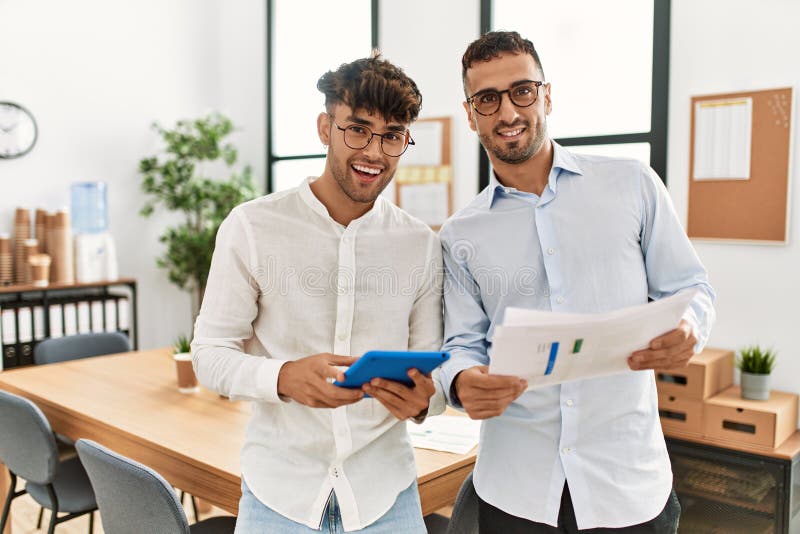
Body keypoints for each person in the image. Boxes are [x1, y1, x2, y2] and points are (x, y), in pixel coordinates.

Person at [438, 31, 715, 533]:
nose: (507, 113)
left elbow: (691, 289)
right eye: (487, 99)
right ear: (471, 112)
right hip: (515, 490)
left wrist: (691, 325)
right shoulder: (460, 233)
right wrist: (460, 380)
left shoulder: (632, 183)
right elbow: (462, 342)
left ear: (547, 94)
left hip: (626, 483)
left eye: (522, 91)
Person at [191, 53, 444, 533]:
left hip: (386, 495)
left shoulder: (421, 244)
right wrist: (283, 377)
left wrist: (425, 402)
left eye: (392, 136)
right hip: (279, 495)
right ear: (325, 127)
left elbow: (432, 368)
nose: (374, 151)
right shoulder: (251, 227)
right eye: (358, 129)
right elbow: (210, 353)